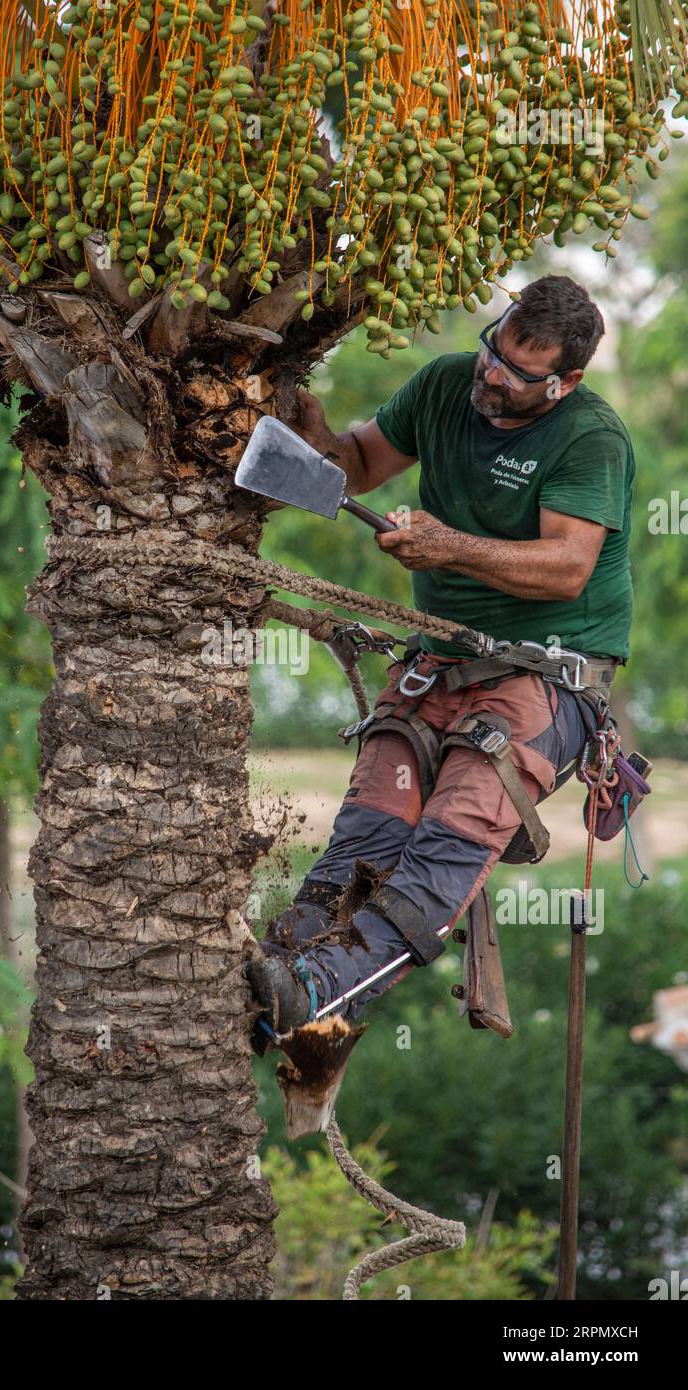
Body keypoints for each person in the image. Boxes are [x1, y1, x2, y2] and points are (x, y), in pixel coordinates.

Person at [245, 274, 634, 1040]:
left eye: (520, 374)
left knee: (435, 863)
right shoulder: (447, 383)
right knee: (360, 849)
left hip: (541, 687)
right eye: (495, 350)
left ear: (566, 382)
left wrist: (448, 548)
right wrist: (316, 436)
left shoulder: (591, 438)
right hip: (434, 670)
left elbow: (568, 565)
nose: (492, 374)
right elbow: (356, 464)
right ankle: (271, 984)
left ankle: (315, 988)